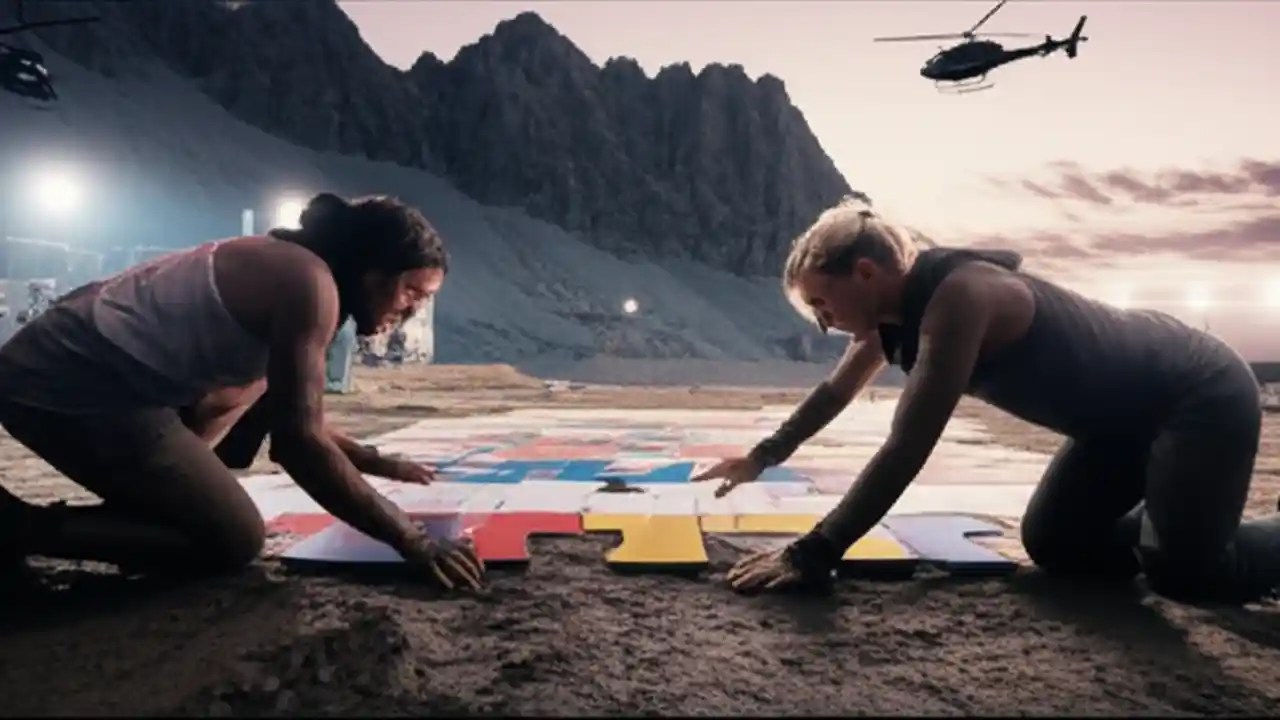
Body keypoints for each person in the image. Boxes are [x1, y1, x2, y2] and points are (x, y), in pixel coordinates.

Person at [694, 197, 1279, 604]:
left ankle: (1190, 535)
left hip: (1195, 393)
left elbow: (908, 444)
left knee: (1191, 578)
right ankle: (1177, 520)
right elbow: (834, 394)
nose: (824, 323)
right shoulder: (889, 322)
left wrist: (815, 552)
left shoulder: (962, 298)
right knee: (1055, 544)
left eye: (823, 305)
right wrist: (760, 458)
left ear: (865, 272)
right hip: (1118, 429)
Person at [0, 193, 483, 590]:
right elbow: (299, 444)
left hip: (88, 369)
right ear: (370, 271)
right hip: (72, 380)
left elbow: (292, 414)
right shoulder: (308, 287)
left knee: (248, 410)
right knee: (233, 540)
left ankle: (133, 513)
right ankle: (14, 526)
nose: (412, 312)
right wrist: (412, 539)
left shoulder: (295, 270)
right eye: (410, 293)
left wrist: (377, 462)